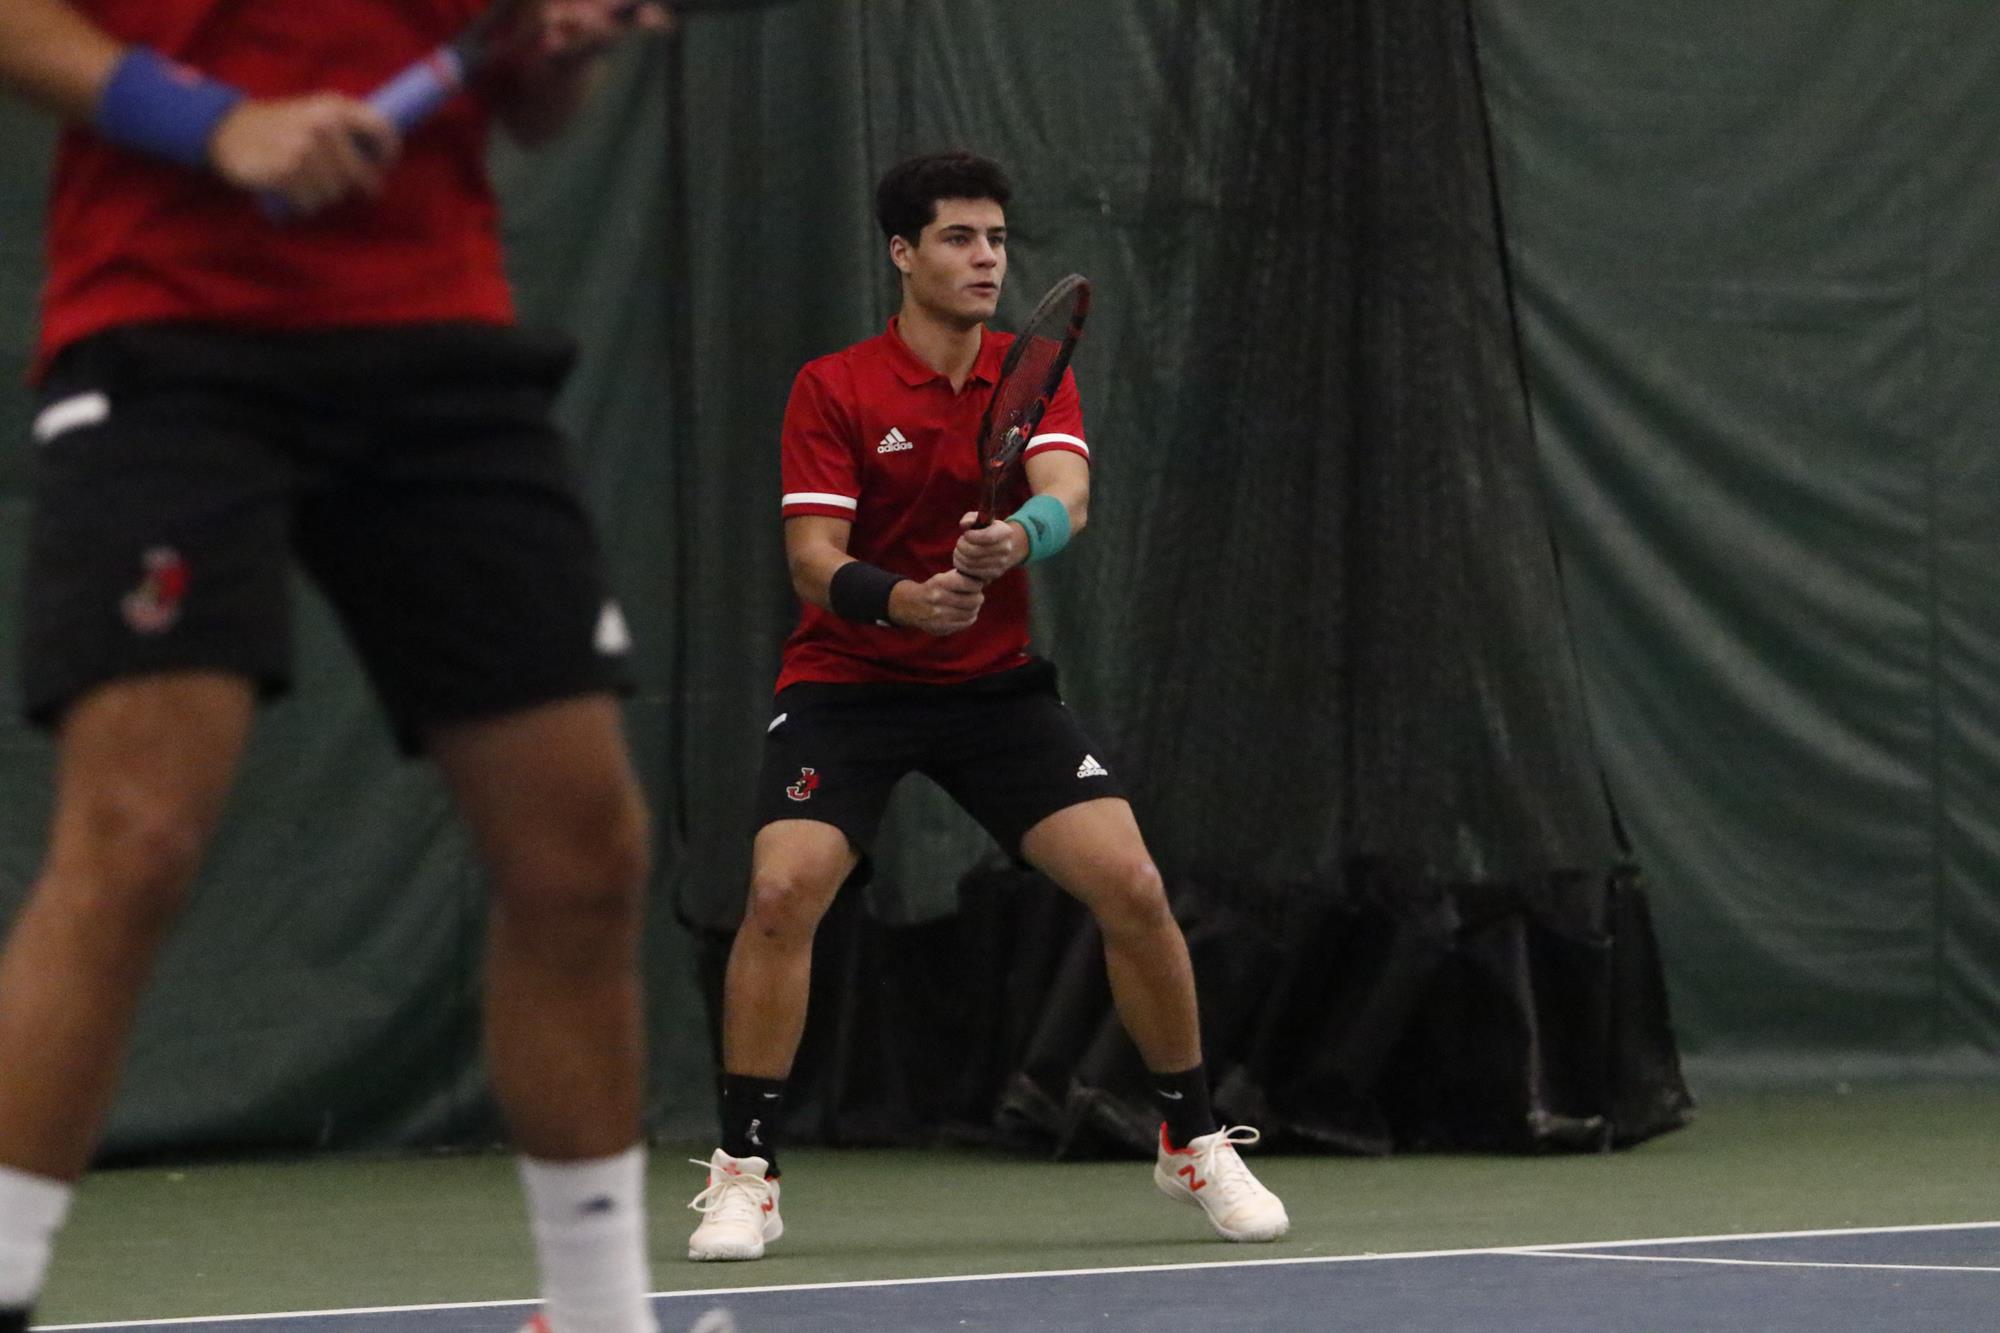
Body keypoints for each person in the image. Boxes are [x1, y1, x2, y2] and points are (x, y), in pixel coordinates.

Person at [0, 4, 671, 1331]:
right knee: (134, 839)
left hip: (437, 346)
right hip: (166, 343)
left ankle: (599, 1317)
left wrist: (562, 50)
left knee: (581, 856)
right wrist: (217, 123)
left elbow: (532, 105)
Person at [684, 150, 1289, 1263]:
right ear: (902, 253)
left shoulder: (1029, 369)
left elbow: (1069, 492)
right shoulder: (834, 386)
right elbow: (813, 560)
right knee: (780, 891)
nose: (985, 259)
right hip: (847, 686)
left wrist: (1016, 537)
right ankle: (744, 1171)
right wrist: (901, 600)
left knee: (1135, 885)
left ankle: (1191, 1136)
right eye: (959, 239)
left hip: (992, 692)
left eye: (997, 240)